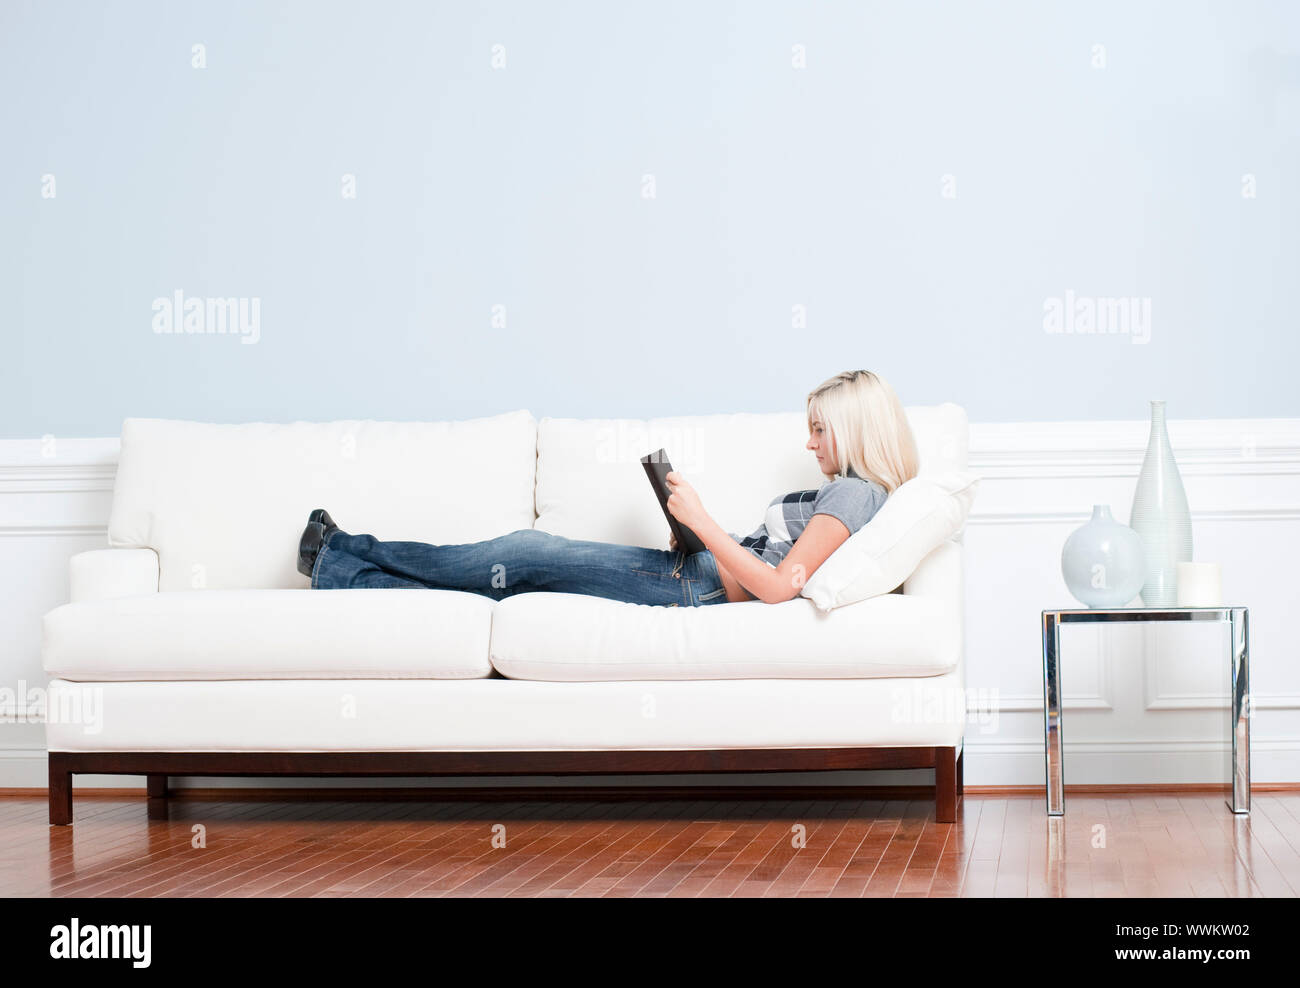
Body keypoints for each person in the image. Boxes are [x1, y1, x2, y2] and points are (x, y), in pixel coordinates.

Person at [299, 369, 919, 606]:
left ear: (854, 429)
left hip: (694, 585)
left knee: (521, 553)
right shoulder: (857, 494)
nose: (810, 444)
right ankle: (340, 568)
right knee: (513, 572)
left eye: (819, 430)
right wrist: (692, 530)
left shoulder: (854, 494)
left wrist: (702, 525)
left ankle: (344, 550)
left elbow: (782, 587)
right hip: (696, 570)